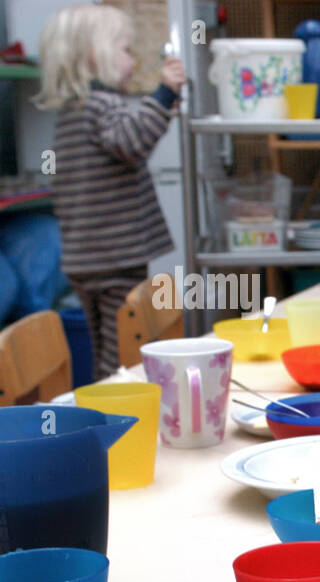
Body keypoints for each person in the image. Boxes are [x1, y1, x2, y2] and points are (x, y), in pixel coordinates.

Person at [37, 3, 186, 379]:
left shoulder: (74, 110)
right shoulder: (102, 105)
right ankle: (116, 411)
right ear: (94, 55)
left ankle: (104, 404)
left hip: (85, 259)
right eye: (126, 49)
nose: (133, 60)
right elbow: (132, 140)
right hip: (114, 257)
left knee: (104, 344)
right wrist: (165, 94)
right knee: (124, 350)